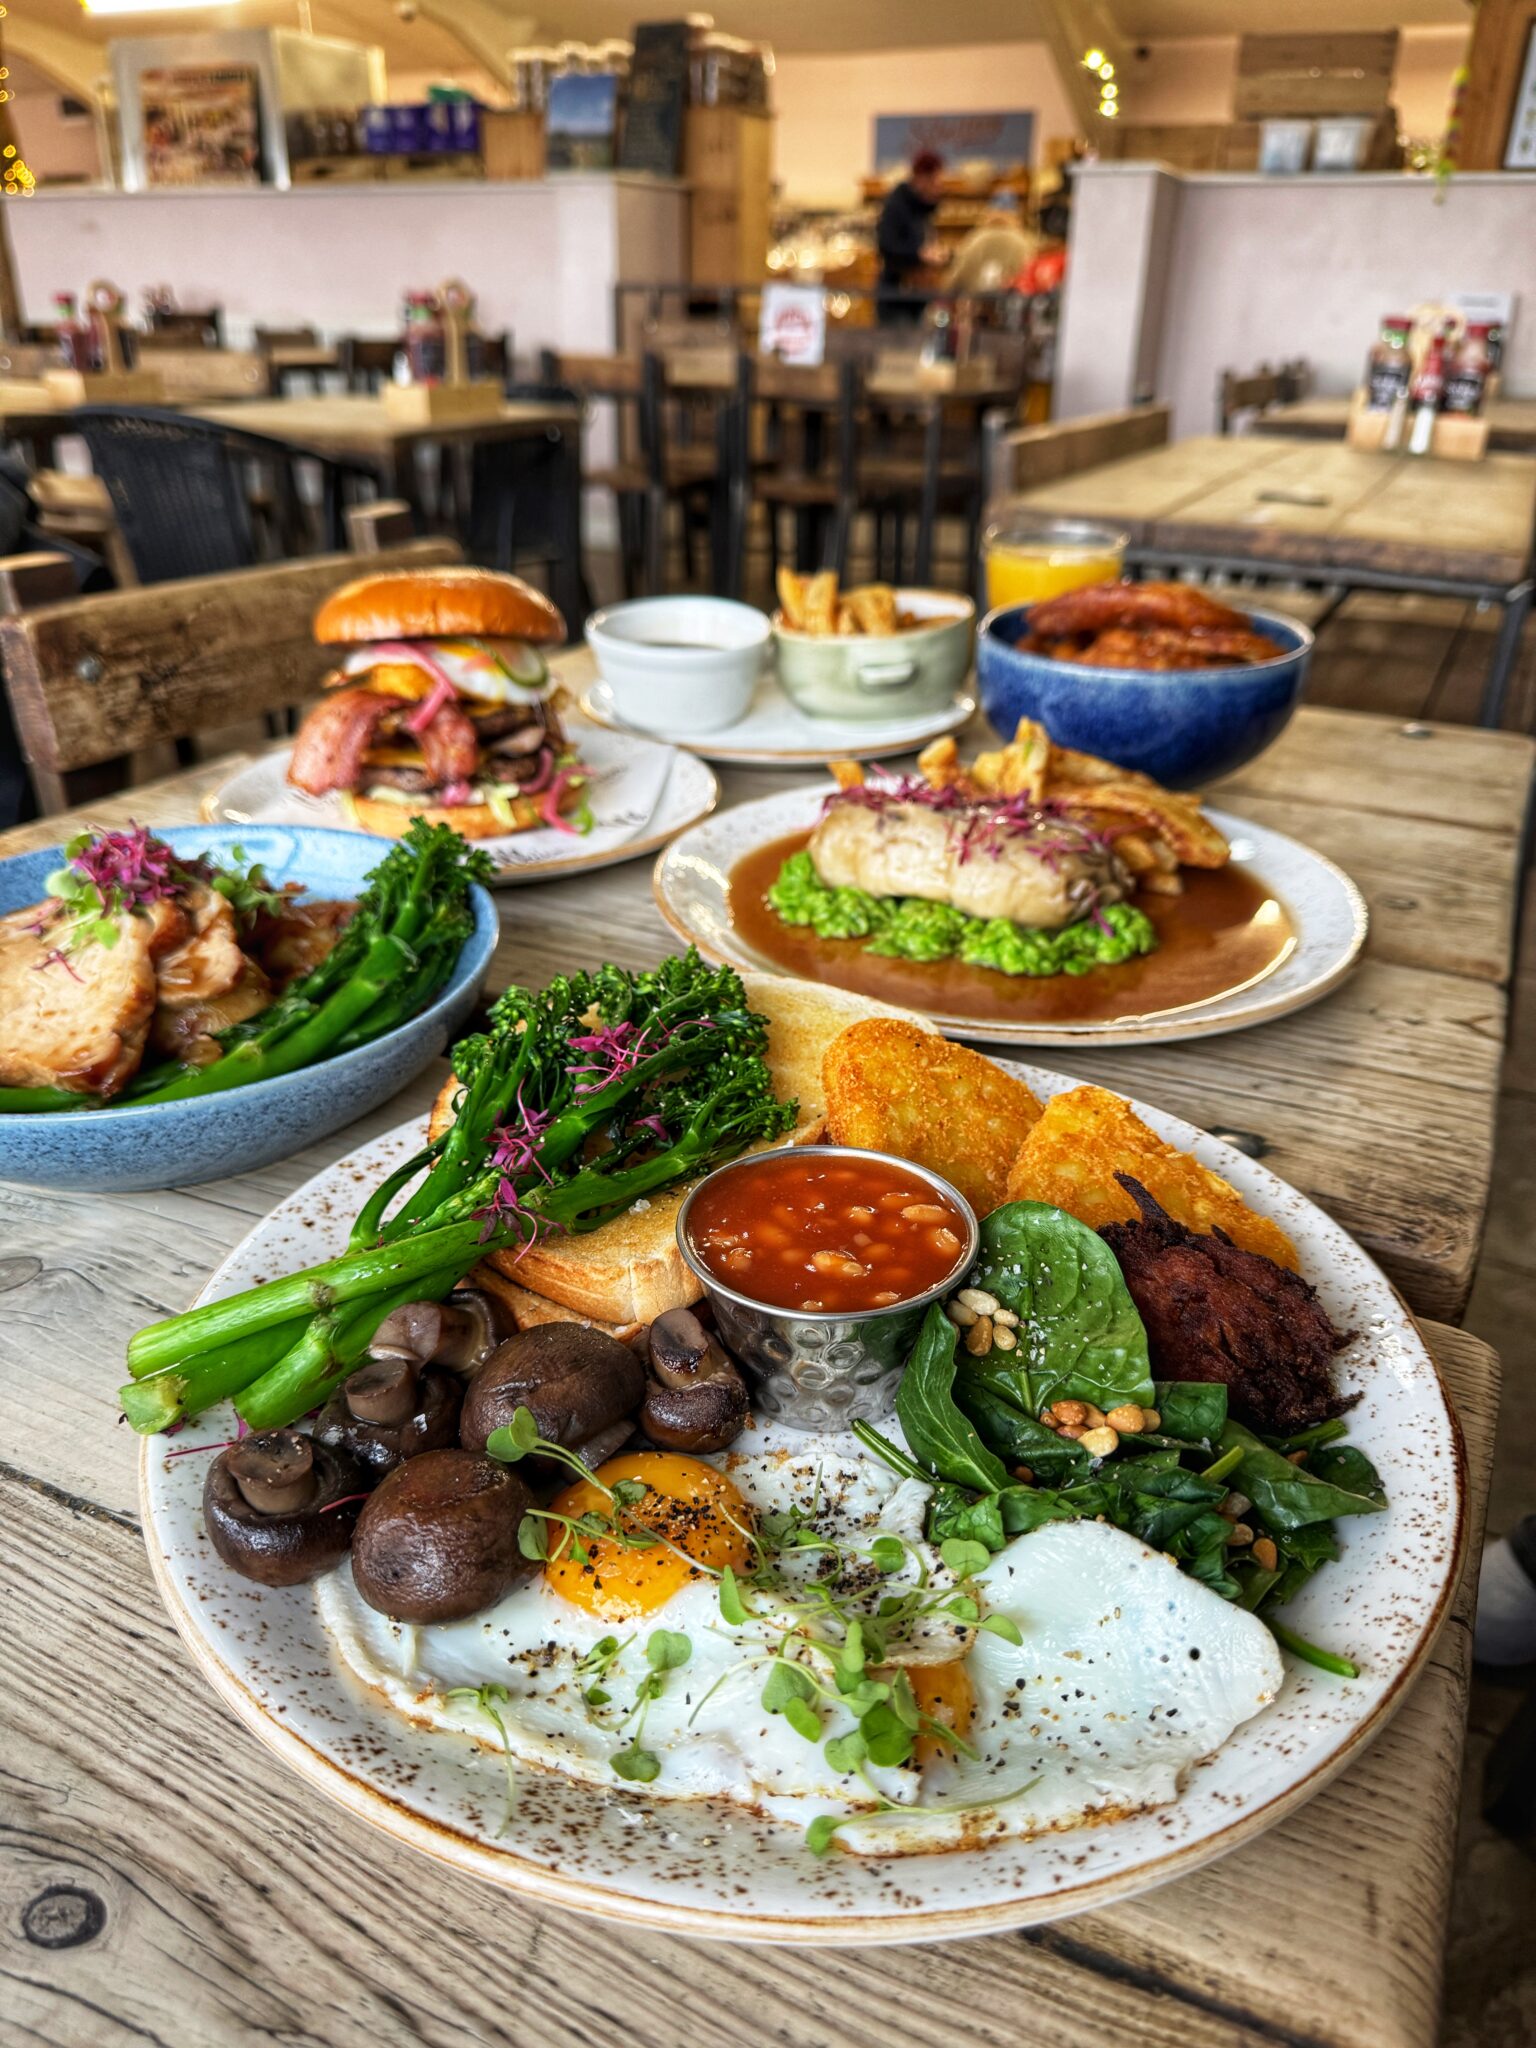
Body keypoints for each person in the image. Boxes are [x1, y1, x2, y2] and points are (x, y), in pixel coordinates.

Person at [876, 148, 945, 324]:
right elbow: (886, 245)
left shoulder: (921, 209)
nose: (939, 188)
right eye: (936, 182)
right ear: (922, 178)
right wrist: (919, 254)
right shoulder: (897, 206)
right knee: (900, 350)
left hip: (916, 298)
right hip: (897, 300)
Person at [946, 197, 1036, 296]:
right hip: (1011, 303)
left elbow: (957, 277)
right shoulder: (1024, 241)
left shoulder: (974, 239)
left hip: (976, 302)